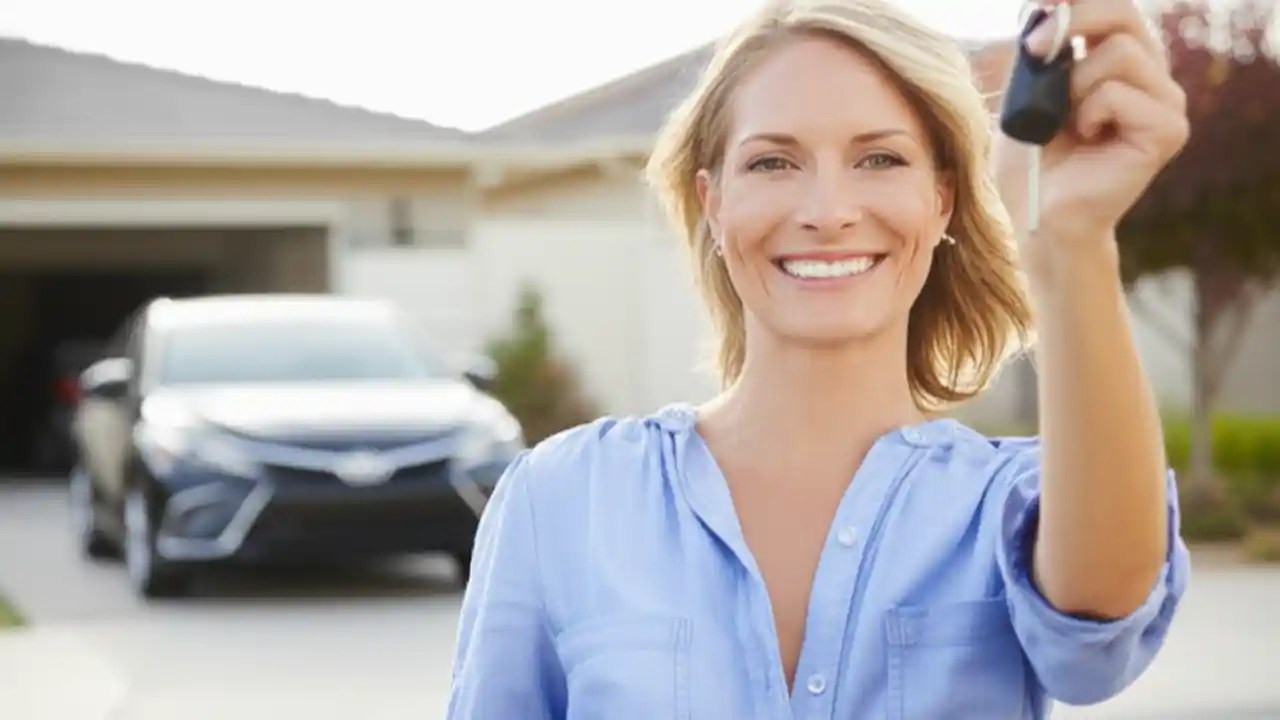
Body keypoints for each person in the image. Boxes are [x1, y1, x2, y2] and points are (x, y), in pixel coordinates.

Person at [448, 0, 1192, 716]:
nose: (827, 211)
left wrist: (1071, 238)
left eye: (878, 157)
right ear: (714, 204)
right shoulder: (563, 500)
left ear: (942, 200)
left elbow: (1096, 640)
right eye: (773, 163)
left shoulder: (1016, 507)